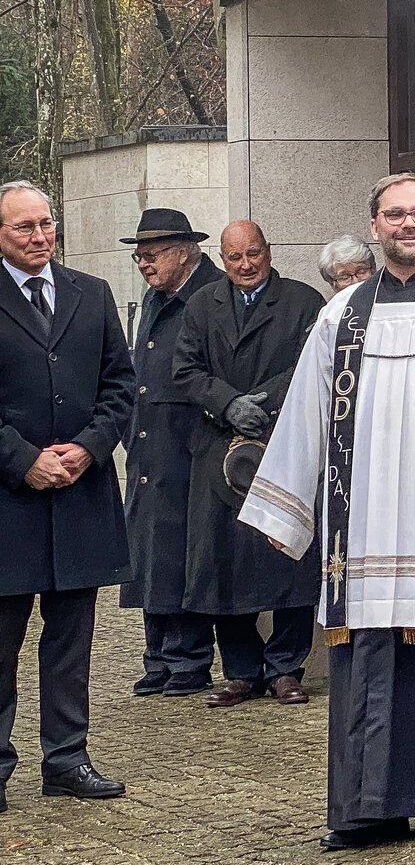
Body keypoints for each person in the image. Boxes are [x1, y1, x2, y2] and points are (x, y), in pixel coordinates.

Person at [241, 174, 415, 850]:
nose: (409, 224)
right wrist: (287, 512)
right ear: (375, 226)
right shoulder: (340, 316)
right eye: (395, 214)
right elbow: (307, 414)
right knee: (367, 668)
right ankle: (368, 808)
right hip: (364, 529)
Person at [0, 180, 135, 808]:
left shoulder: (93, 293)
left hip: (79, 495)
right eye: (23, 227)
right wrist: (23, 460)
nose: (39, 237)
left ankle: (67, 758)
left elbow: (120, 386)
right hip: (10, 502)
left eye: (46, 224)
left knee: (71, 640)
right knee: (2, 641)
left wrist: (89, 446)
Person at [172, 221, 327, 707]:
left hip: (284, 443)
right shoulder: (201, 305)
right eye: (234, 257)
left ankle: (286, 668)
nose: (245, 265)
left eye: (253, 254)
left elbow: (314, 362)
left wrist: (267, 402)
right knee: (224, 562)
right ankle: (240, 670)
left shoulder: (304, 302)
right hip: (218, 450)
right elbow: (185, 371)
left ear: (268, 250)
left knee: (288, 557)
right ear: (222, 258)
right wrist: (226, 401)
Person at [118, 208, 222, 697]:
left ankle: (188, 659)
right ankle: (158, 655)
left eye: (152, 254)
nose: (143, 263)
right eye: (139, 256)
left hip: (191, 439)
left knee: (184, 551)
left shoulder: (211, 295)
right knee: (149, 554)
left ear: (183, 252)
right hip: (148, 439)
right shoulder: (156, 297)